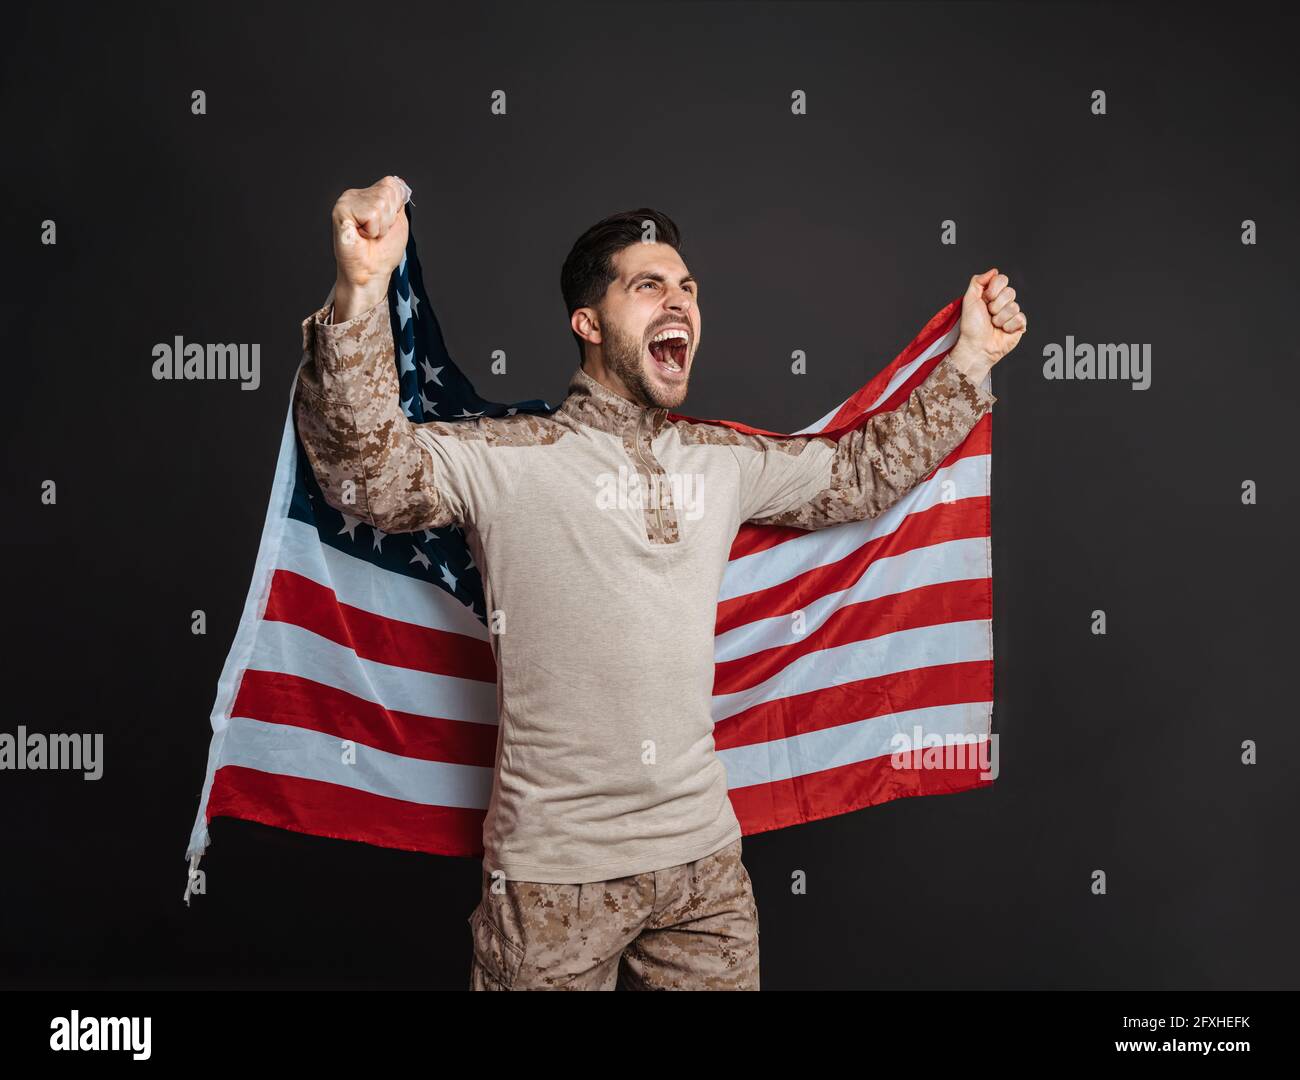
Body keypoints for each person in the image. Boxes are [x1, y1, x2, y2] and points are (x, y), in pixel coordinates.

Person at [294, 175, 1026, 990]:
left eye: (688, 288)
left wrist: (971, 361)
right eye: (649, 287)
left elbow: (861, 475)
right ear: (589, 323)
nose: (679, 302)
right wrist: (359, 291)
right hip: (552, 884)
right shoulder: (505, 457)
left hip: (703, 868)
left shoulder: (722, 461)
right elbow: (363, 476)